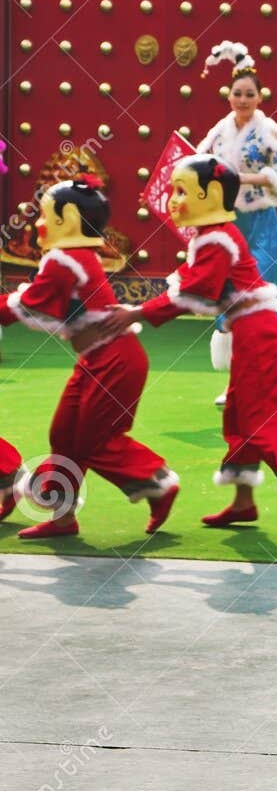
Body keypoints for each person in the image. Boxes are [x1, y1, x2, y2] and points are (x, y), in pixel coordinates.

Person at [94, 155, 277, 524]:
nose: (173, 200)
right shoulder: (212, 236)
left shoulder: (218, 240)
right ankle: (244, 502)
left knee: (264, 414)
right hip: (249, 330)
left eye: (182, 191)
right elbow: (187, 281)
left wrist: (137, 313)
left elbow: (197, 290)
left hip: (257, 331)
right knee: (241, 411)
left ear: (210, 194)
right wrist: (137, 308)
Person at [0, 176, 179, 538]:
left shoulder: (65, 260)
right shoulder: (71, 256)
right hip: (100, 360)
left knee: (92, 442)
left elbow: (28, 305)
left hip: (114, 361)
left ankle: (156, 482)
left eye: (45, 214)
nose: (38, 223)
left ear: (66, 218)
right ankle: (63, 518)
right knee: (63, 434)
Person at [197, 42, 277, 390]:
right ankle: (236, 381)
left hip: (262, 223)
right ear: (229, 96)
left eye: (249, 94)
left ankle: (273, 373)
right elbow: (197, 165)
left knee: (259, 294)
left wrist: (241, 178)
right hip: (229, 222)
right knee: (229, 297)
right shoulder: (219, 129)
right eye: (237, 93)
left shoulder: (267, 129)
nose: (242, 99)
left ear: (259, 97)